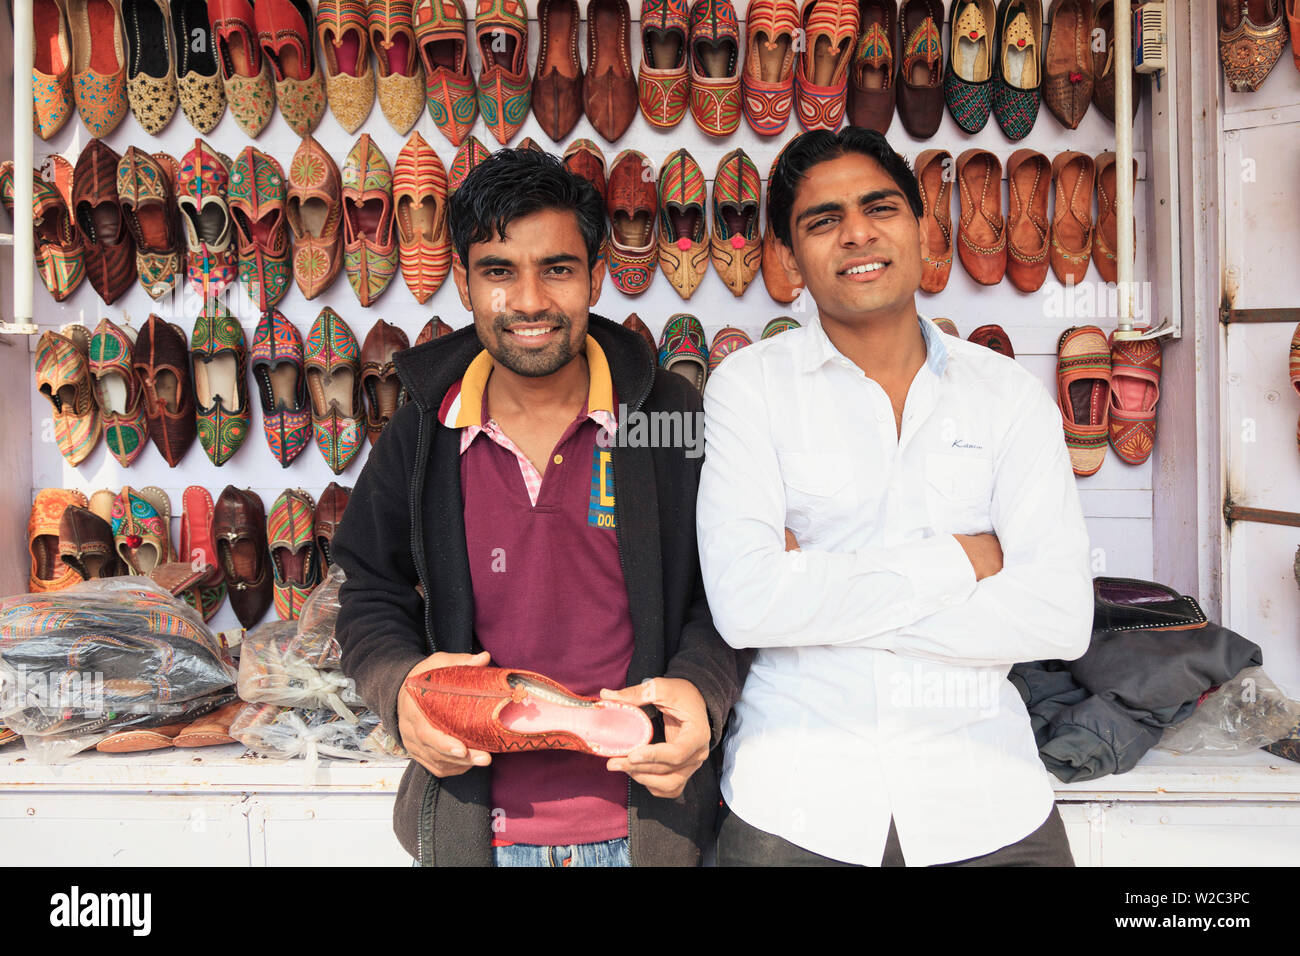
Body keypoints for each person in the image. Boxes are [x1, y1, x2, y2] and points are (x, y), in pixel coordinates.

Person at [331, 148, 744, 867]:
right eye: (498, 271)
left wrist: (702, 694)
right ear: (462, 282)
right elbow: (370, 588)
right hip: (478, 832)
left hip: (651, 825)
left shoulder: (662, 415)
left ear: (594, 277)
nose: (528, 301)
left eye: (556, 269)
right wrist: (398, 688)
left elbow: (731, 591)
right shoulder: (429, 424)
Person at [696, 127, 1093, 867]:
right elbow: (747, 604)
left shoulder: (1007, 395)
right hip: (796, 804)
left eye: (880, 208)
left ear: (921, 228)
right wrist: (961, 561)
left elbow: (1061, 616)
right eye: (822, 220)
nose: (857, 233)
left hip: (988, 799)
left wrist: (817, 594)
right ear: (786, 257)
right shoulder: (748, 388)